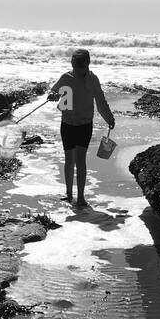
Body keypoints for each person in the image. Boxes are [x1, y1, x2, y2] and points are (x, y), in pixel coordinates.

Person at [47, 48, 114, 209]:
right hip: (67, 123)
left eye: (81, 67)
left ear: (87, 65)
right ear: (72, 64)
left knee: (80, 160)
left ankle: (81, 197)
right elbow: (54, 91)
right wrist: (52, 95)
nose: (78, 70)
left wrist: (109, 118)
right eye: (76, 67)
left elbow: (101, 102)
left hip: (85, 124)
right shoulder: (66, 77)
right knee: (69, 159)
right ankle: (69, 194)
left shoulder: (93, 80)